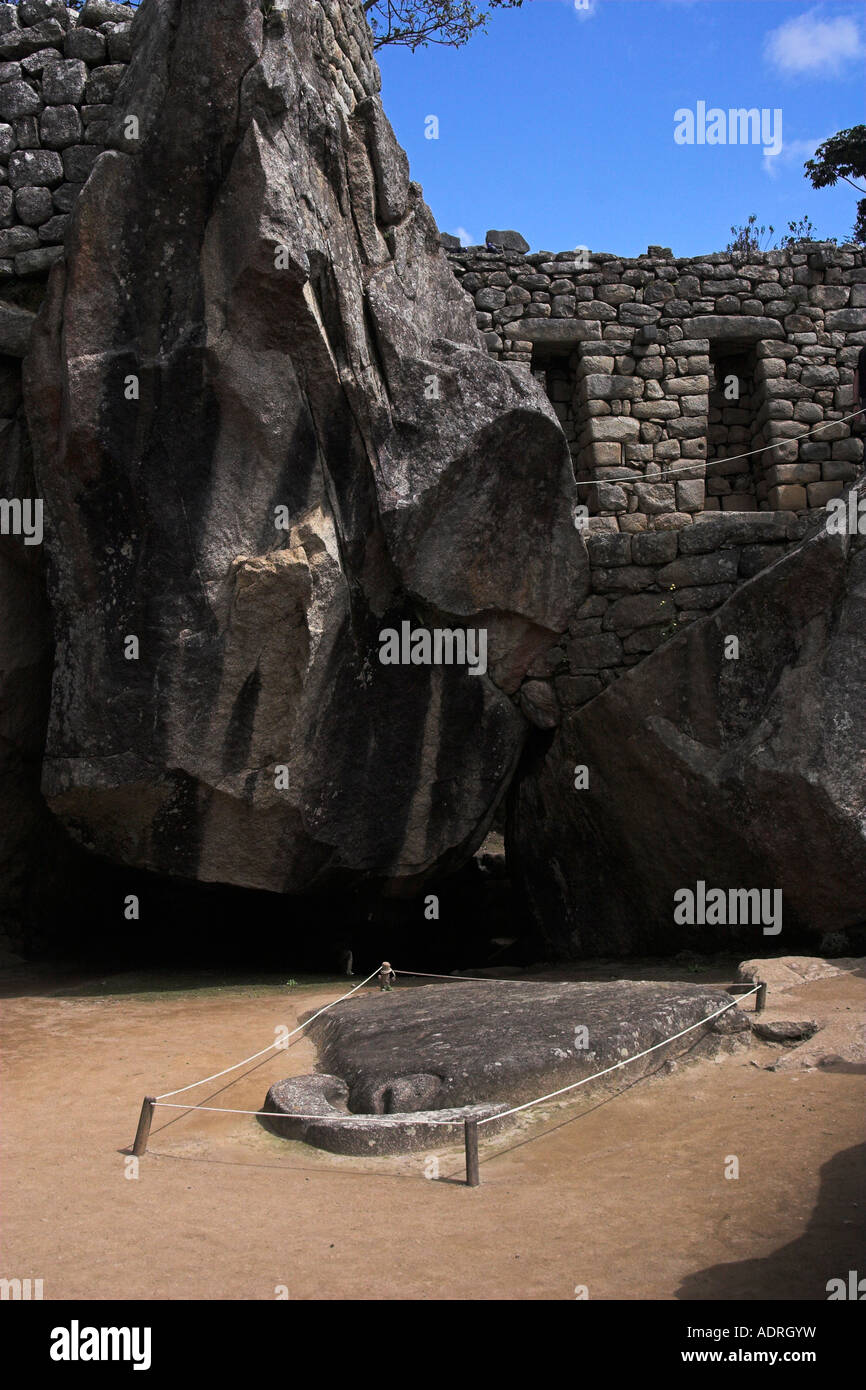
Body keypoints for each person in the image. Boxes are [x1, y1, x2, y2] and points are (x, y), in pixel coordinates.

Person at [855, 345, 866, 433]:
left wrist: (856, 404)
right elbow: (857, 378)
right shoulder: (864, 352)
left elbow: (856, 378)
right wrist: (857, 404)